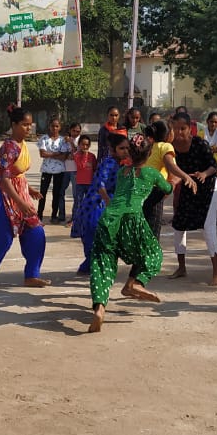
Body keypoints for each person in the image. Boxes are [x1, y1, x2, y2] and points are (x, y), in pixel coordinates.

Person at [88, 135, 172, 332]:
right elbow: (167, 188)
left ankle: (99, 308)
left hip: (108, 219)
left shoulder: (121, 172)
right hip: (132, 219)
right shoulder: (152, 173)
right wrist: (173, 177)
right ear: (149, 154)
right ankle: (135, 283)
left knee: (102, 263)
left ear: (131, 153)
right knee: (153, 253)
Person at [0, 106, 49, 290]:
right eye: (25, 125)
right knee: (0, 239)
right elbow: (5, 180)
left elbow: (18, 175)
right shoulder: (8, 148)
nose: (29, 128)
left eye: (30, 125)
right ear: (14, 125)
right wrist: (21, 202)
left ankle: (32, 275)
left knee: (36, 234)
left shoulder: (22, 145)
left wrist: (29, 190)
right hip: (4, 198)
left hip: (21, 195)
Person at [169, 112, 217, 285]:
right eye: (176, 129)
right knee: (178, 225)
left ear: (189, 128)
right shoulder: (170, 147)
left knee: (208, 227)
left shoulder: (200, 144)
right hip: (188, 186)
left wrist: (203, 174)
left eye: (182, 128)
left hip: (208, 187)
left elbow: (214, 167)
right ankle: (181, 267)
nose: (179, 133)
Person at [71, 133, 122, 274]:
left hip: (101, 204)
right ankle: (93, 269)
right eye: (122, 148)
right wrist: (109, 204)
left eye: (127, 148)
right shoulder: (109, 162)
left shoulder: (120, 164)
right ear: (113, 149)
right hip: (95, 206)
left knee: (99, 242)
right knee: (94, 239)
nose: (125, 151)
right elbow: (100, 184)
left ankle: (92, 267)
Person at [36, 116, 71, 224]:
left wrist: (50, 154)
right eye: (52, 126)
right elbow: (42, 154)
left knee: (56, 193)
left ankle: (54, 215)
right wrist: (56, 154)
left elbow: (64, 156)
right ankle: (39, 214)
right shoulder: (44, 139)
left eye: (57, 126)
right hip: (46, 170)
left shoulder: (62, 140)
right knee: (43, 193)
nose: (54, 128)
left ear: (60, 127)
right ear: (49, 127)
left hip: (59, 170)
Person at [72, 134, 96, 219]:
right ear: (79, 144)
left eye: (87, 145)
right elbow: (81, 166)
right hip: (80, 183)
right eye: (83, 144)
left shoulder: (92, 156)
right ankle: (75, 219)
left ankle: (87, 218)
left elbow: (94, 169)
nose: (85, 146)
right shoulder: (76, 155)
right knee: (78, 202)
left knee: (89, 202)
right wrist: (85, 155)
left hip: (90, 183)